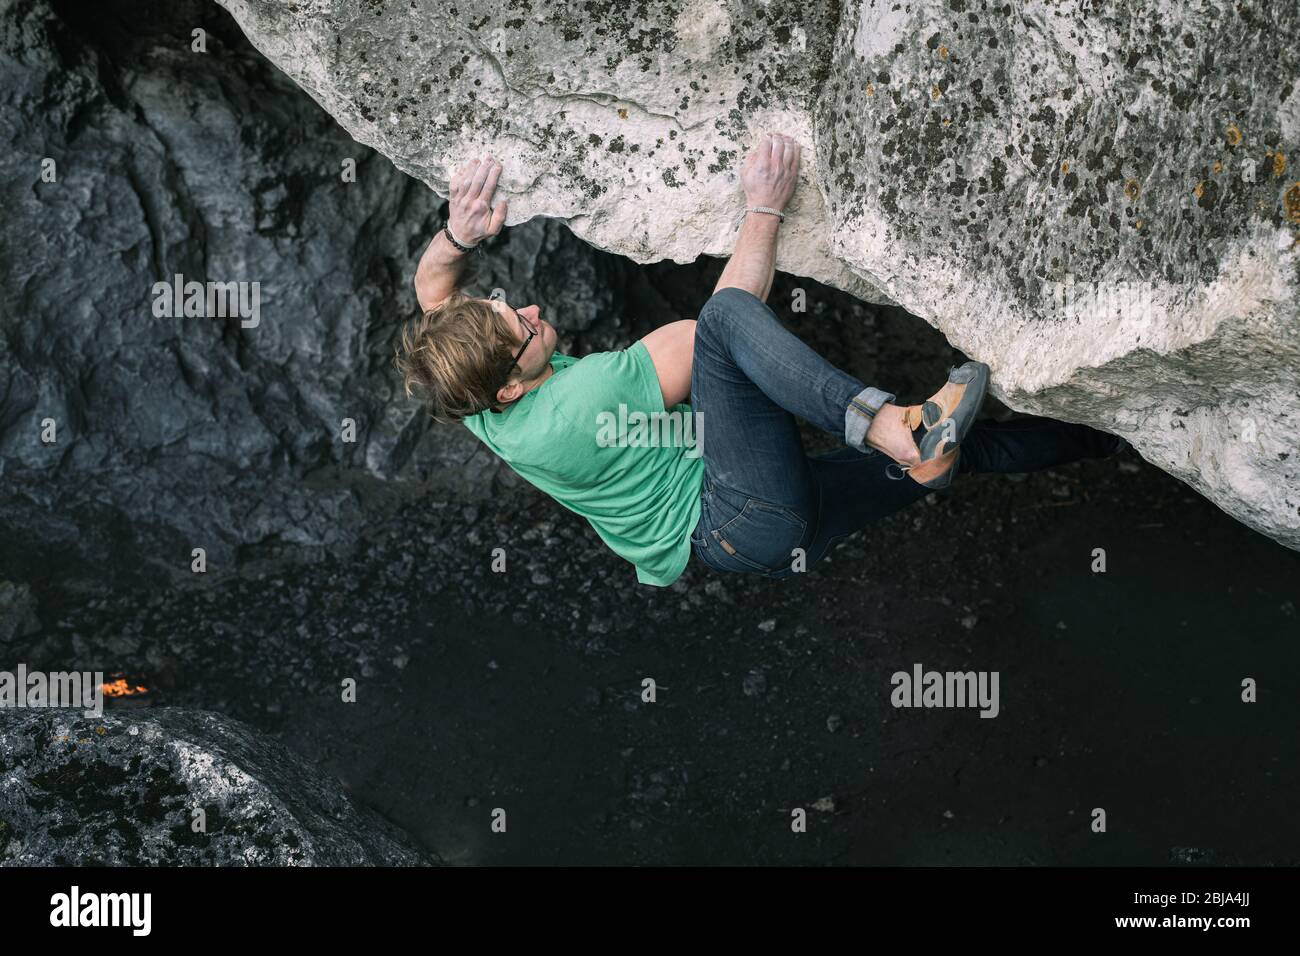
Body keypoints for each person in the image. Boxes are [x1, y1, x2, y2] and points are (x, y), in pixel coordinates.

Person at [395, 133, 1125, 585]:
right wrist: (765, 207)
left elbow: (432, 289)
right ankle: (886, 424)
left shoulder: (472, 394)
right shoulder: (586, 396)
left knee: (957, 451)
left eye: (501, 303)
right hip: (738, 511)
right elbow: (728, 322)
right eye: (518, 327)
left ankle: (1111, 440)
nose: (526, 311)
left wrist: (459, 235)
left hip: (747, 544)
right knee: (721, 322)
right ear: (513, 390)